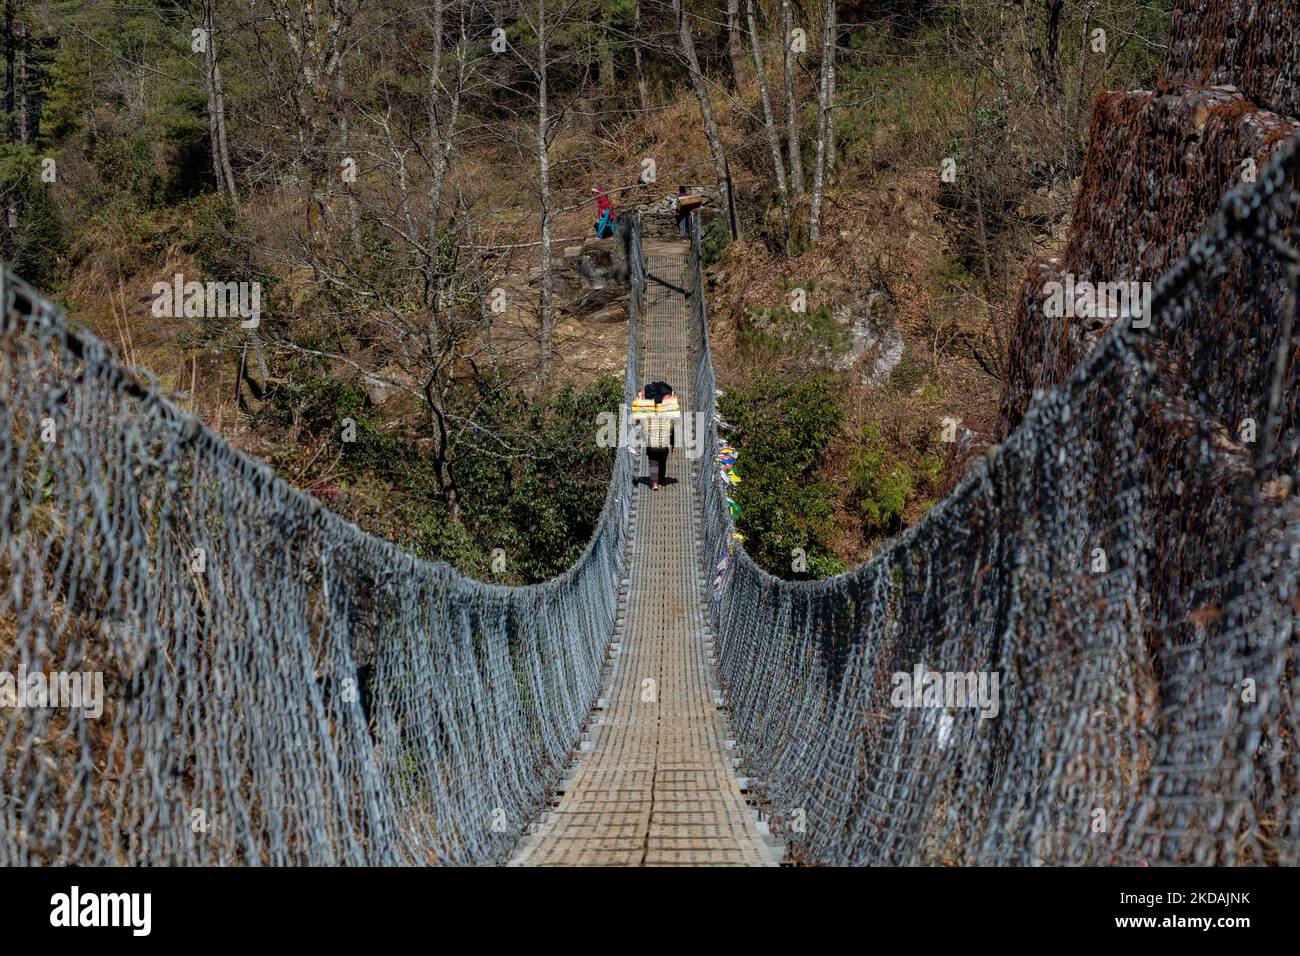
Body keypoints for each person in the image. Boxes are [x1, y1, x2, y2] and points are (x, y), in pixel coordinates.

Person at [631, 383, 681, 490]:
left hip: (651, 438)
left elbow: (641, 424)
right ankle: (661, 478)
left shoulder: (648, 410)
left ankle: (654, 483)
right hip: (664, 439)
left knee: (653, 461)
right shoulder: (668, 413)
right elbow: (673, 429)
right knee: (662, 460)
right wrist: (673, 445)